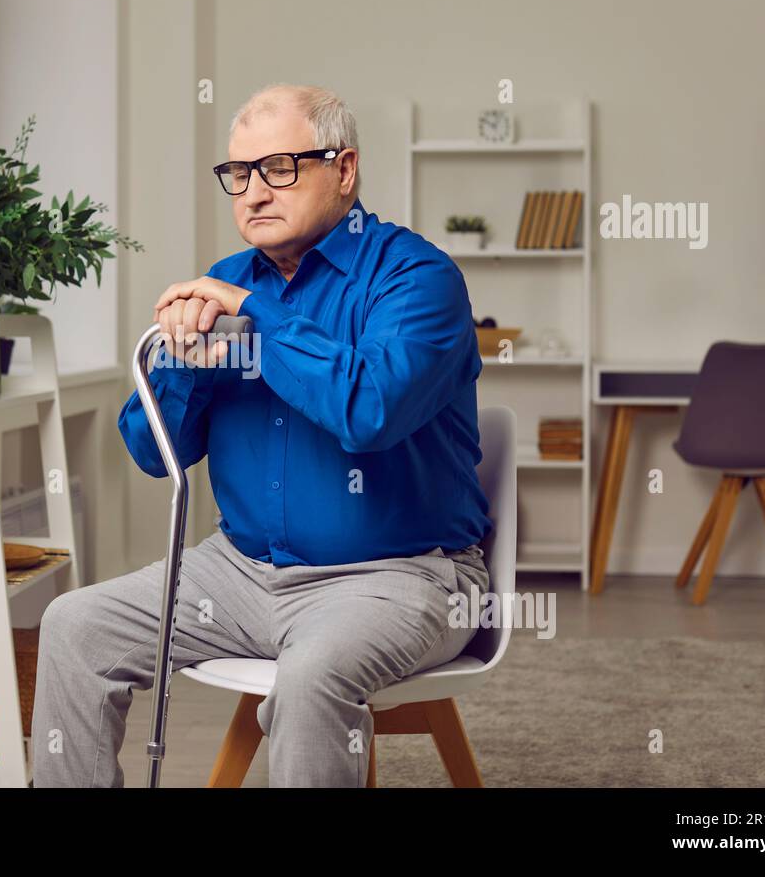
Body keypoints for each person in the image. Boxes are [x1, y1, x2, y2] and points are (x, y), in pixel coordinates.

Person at [31, 83, 491, 787]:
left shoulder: (416, 278)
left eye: (279, 168)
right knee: (74, 625)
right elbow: (153, 455)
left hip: (398, 576)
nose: (252, 193)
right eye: (238, 174)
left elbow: (370, 412)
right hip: (239, 573)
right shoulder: (225, 282)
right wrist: (185, 365)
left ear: (344, 169)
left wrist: (258, 318)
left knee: (309, 676)